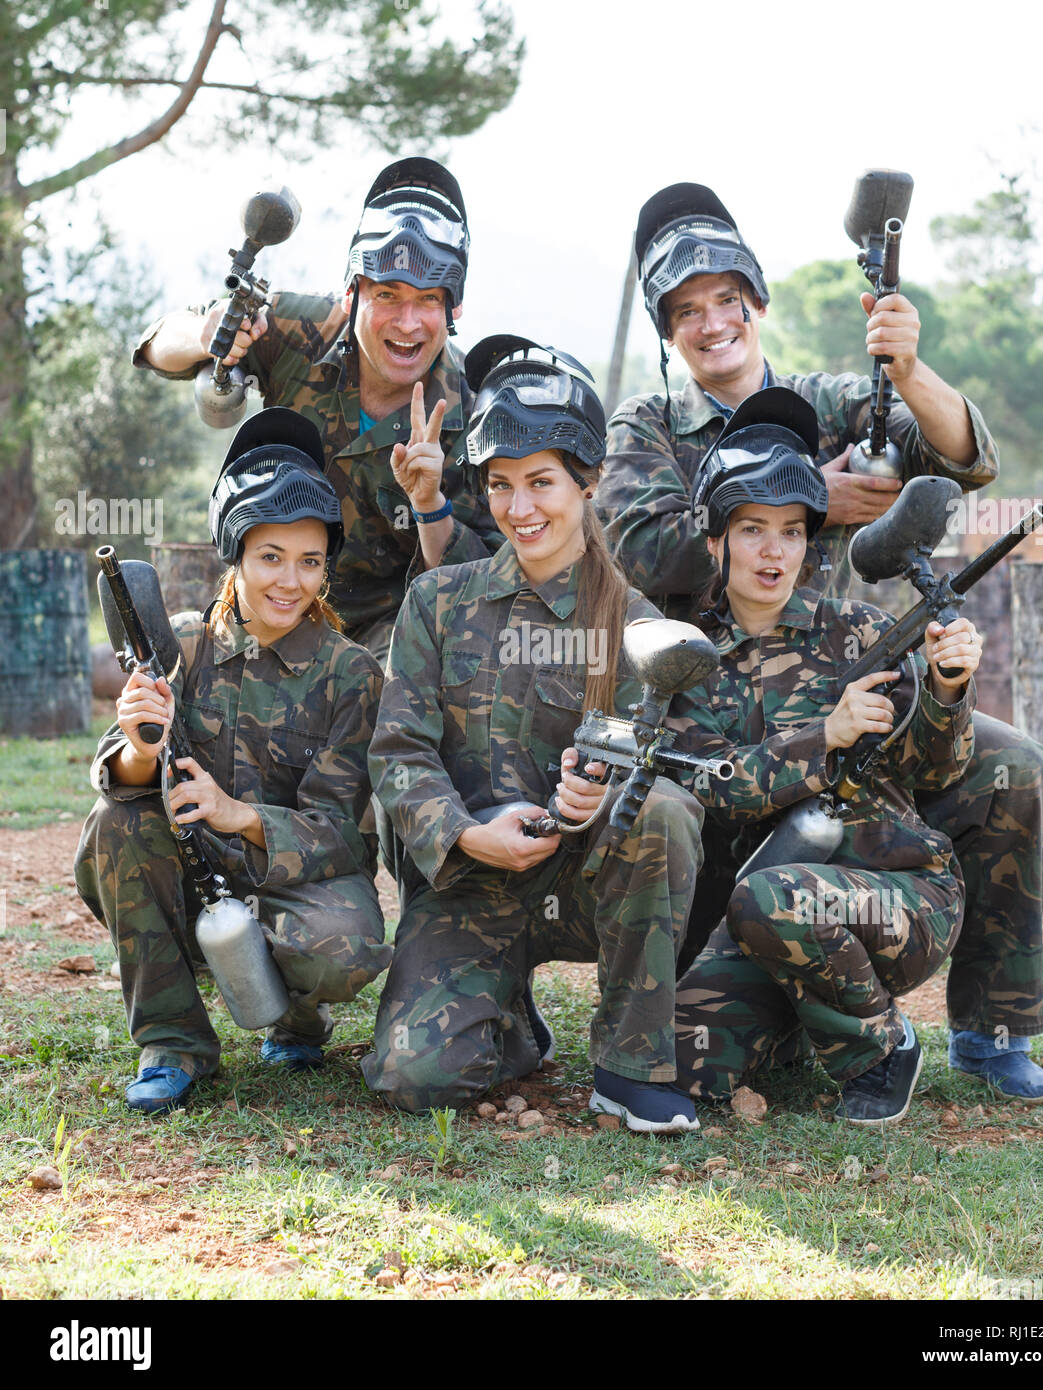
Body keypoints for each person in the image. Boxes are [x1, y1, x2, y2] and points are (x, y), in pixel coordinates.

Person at [596, 183, 1043, 1104]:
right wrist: (807, 499)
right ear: (666, 330)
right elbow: (641, 545)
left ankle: (990, 1030)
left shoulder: (833, 399)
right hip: (726, 698)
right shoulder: (646, 426)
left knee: (1006, 764)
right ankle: (761, 1004)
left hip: (853, 677)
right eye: (685, 310)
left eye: (725, 299)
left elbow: (964, 459)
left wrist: (908, 365)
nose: (710, 322)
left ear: (755, 303)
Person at [361, 335, 705, 1133]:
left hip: (581, 886)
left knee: (663, 812)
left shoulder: (636, 626)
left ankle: (628, 1063)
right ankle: (507, 1018)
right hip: (468, 882)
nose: (521, 509)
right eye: (501, 485)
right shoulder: (438, 604)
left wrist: (601, 795)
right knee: (416, 1078)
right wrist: (467, 834)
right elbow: (398, 752)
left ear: (587, 485)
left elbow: (657, 762)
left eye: (543, 483)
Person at [668, 390, 982, 1123]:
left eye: (789, 531)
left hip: (902, 894)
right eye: (750, 530)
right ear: (714, 541)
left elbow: (937, 772)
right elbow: (716, 788)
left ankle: (880, 1045)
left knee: (770, 895)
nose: (772, 551)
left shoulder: (857, 633)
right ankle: (804, 1021)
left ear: (811, 541)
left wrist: (946, 686)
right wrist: (825, 737)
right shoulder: (692, 664)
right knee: (677, 1066)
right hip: (763, 918)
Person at [74, 409, 388, 1114]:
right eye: (270, 557)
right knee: (113, 828)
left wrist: (237, 814)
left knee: (343, 949)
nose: (291, 581)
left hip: (294, 882)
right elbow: (116, 781)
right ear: (235, 556)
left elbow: (341, 832)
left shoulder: (352, 673)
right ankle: (173, 1041)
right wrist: (141, 743)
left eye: (310, 561)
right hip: (192, 869)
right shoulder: (177, 645)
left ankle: (299, 1018)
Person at [133, 158, 502, 660]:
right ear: (353, 294)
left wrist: (430, 503)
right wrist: (205, 335)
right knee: (179, 672)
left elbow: (483, 583)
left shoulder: (477, 412)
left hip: (388, 632)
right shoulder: (298, 327)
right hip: (270, 601)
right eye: (387, 295)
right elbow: (155, 349)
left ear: (453, 309)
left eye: (428, 300)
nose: (408, 322)